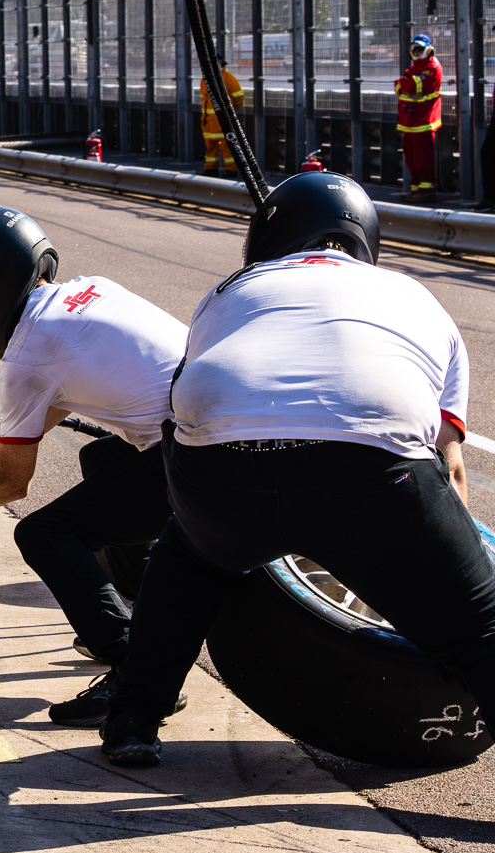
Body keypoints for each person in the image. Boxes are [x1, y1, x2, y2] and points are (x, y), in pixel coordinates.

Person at [100, 171, 495, 766]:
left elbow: (187, 401)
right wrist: (448, 569)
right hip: (368, 471)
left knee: (185, 556)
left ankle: (133, 718)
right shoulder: (414, 295)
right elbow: (447, 461)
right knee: (482, 627)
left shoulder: (230, 289)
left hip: (220, 471)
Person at [0, 206, 191, 727]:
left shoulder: (25, 355)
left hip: (193, 453)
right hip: (219, 428)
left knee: (43, 534)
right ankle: (134, 614)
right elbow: (60, 398)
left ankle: (137, 667)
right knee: (100, 457)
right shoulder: (91, 291)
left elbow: (11, 484)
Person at [397, 34, 443, 202]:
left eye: (420, 48)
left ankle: (426, 192)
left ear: (429, 49)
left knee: (423, 159)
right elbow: (401, 85)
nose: (416, 52)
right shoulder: (415, 66)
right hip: (410, 121)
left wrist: (405, 84)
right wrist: (405, 84)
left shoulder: (432, 66)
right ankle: (416, 190)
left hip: (423, 121)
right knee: (411, 158)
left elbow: (413, 85)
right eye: (414, 49)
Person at [199, 54, 245, 177]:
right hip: (209, 122)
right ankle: (210, 168)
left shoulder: (228, 78)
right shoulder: (205, 79)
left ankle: (231, 170)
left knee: (228, 146)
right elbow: (204, 96)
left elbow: (239, 97)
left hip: (222, 121)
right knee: (210, 147)